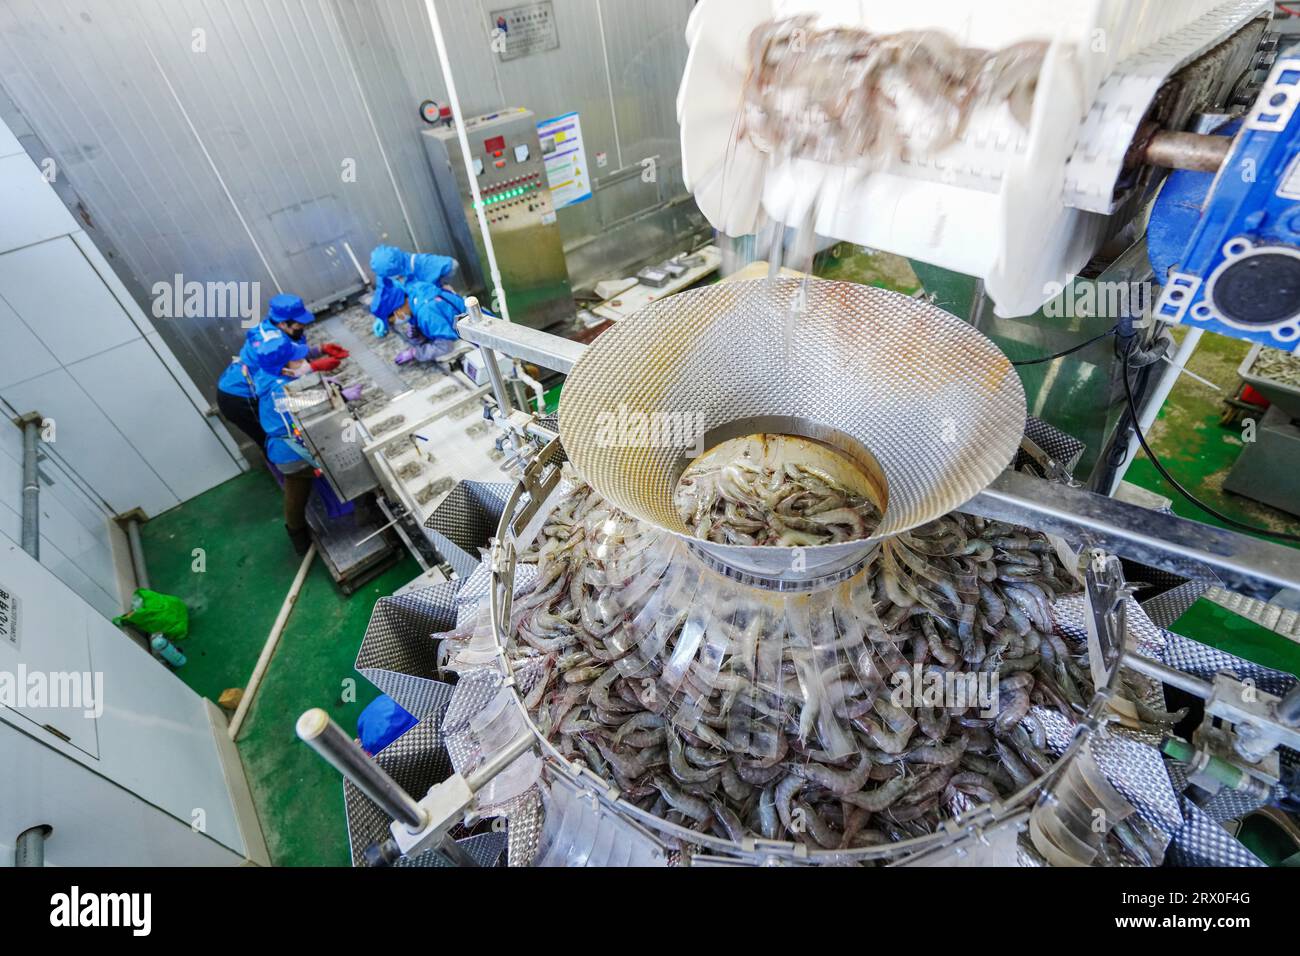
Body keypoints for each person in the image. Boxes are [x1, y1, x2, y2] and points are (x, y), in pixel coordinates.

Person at [215, 293, 348, 450]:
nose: (303, 327)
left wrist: (317, 350)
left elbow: (290, 354)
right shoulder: (269, 343)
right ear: (283, 324)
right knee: (273, 442)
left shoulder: (282, 330)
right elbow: (285, 372)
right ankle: (290, 471)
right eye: (299, 324)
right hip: (239, 396)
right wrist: (314, 367)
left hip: (258, 388)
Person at [248, 333, 323, 555]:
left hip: (282, 453)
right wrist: (340, 394)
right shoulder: (278, 389)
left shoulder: (267, 375)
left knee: (296, 490)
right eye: (298, 361)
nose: (304, 363)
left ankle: (298, 537)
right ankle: (365, 510)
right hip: (293, 453)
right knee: (342, 470)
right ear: (283, 367)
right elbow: (309, 405)